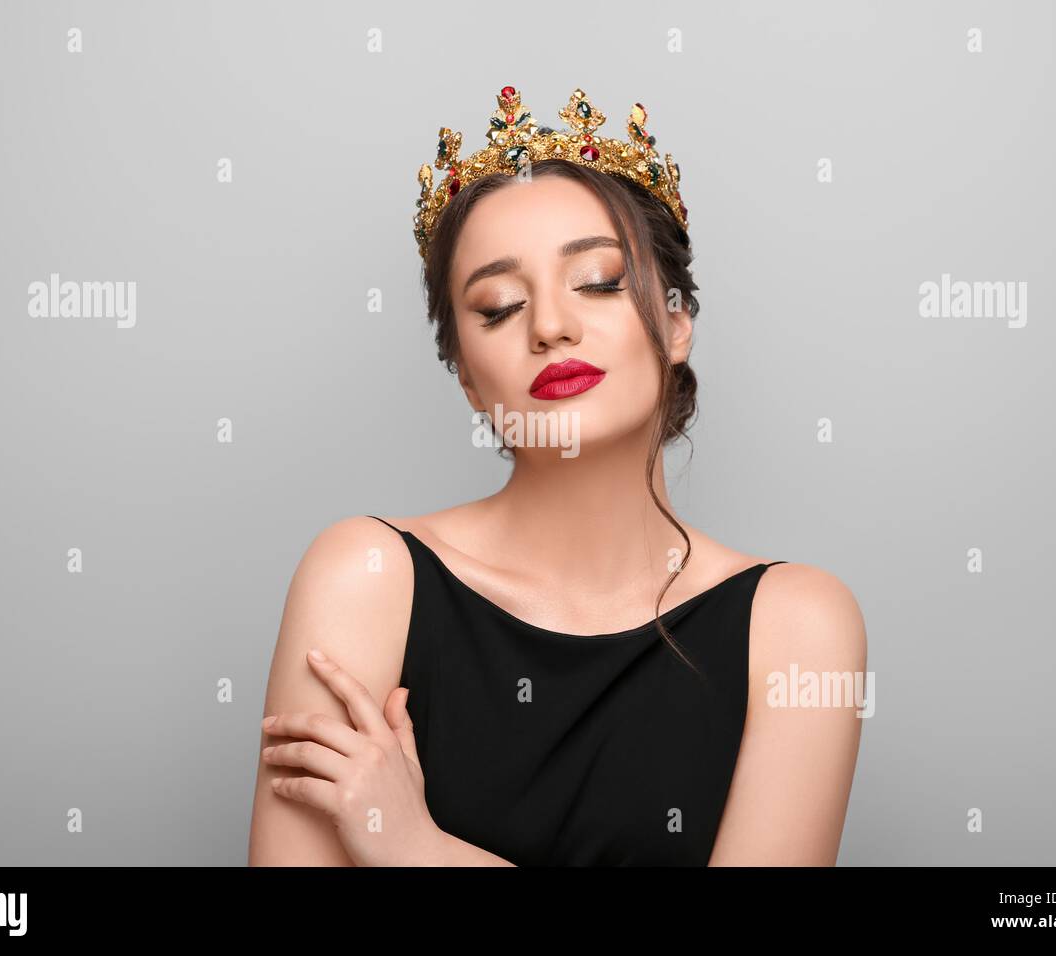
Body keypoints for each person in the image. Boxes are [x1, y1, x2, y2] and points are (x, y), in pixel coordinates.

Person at [248, 85, 866, 866]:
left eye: (600, 281)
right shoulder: (366, 577)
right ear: (469, 378)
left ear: (676, 321)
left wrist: (416, 849)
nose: (549, 325)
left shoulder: (799, 627)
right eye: (500, 306)